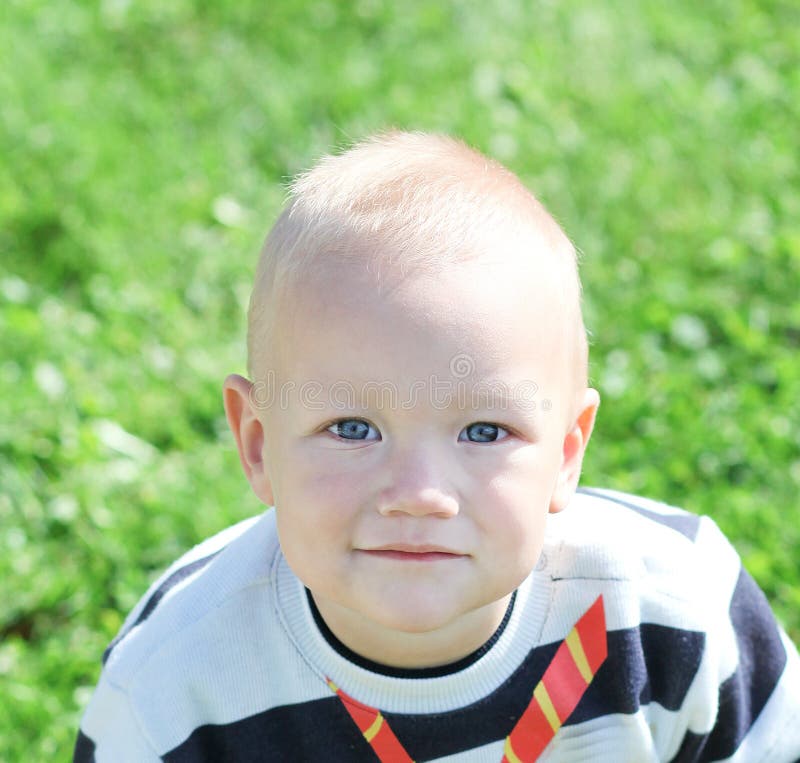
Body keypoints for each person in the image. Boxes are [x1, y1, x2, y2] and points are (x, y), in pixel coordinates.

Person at [74, 132, 800, 762]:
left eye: (485, 432)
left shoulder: (679, 610)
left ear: (567, 451)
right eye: (353, 428)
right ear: (259, 443)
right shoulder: (177, 682)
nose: (419, 493)